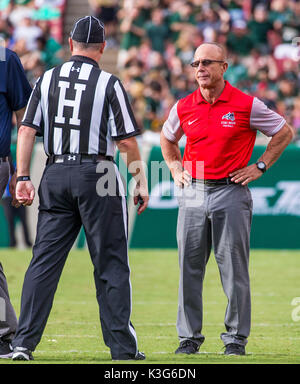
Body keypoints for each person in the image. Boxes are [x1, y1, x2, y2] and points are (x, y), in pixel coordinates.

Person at [11, 16, 149, 361]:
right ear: (103, 48)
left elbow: (27, 131)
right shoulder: (109, 83)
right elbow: (128, 143)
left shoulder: (46, 79)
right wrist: (140, 180)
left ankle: (23, 344)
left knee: (43, 263)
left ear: (70, 44)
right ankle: (122, 349)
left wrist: (24, 176)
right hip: (98, 170)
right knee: (111, 264)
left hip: (55, 171)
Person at [160, 42, 294, 356]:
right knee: (187, 268)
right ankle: (188, 337)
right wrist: (175, 168)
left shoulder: (247, 104)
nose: (200, 69)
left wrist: (260, 166)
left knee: (234, 269)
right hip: (193, 191)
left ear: (224, 67)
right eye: (195, 63)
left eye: (207, 62)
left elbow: (284, 132)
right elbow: (167, 139)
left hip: (230, 191)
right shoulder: (184, 106)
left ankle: (235, 339)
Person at [0, 46, 32, 358]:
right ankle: (5, 330)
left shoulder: (5, 59)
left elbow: (25, 118)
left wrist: (19, 170)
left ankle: (4, 331)